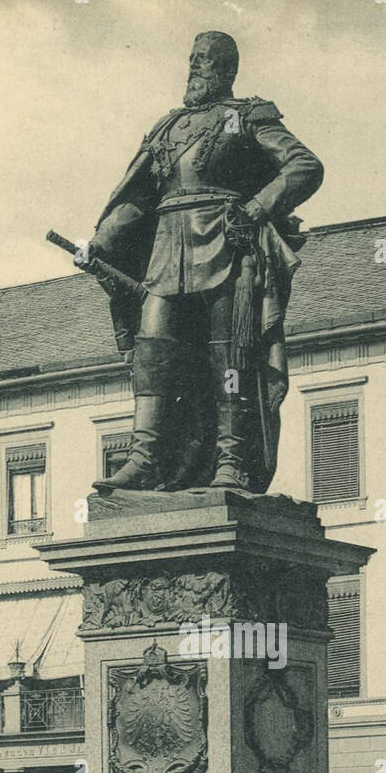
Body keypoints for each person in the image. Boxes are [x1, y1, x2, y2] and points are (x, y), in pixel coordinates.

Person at [83, 30, 324, 494]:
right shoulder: (166, 128)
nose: (195, 68)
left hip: (226, 245)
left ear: (228, 69)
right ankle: (145, 457)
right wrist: (103, 239)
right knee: (152, 349)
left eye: (206, 60)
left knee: (228, 354)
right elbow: (140, 198)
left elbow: (304, 166)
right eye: (191, 59)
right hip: (167, 248)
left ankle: (231, 459)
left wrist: (255, 209)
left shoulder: (248, 117)